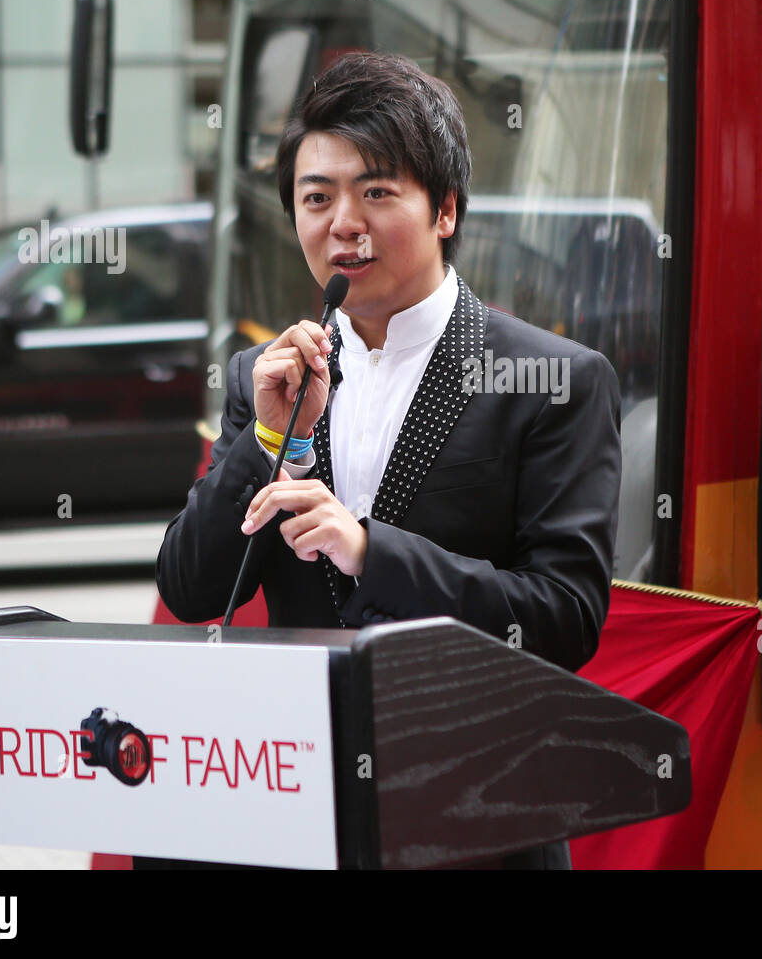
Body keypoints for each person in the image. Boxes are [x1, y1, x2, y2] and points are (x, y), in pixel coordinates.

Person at [153, 51, 623, 870]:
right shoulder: (265, 379)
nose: (343, 222)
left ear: (445, 209)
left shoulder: (555, 381)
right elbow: (190, 587)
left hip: (477, 821)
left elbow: (562, 618)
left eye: (376, 191)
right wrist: (267, 443)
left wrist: (370, 550)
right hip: (294, 815)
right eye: (316, 197)